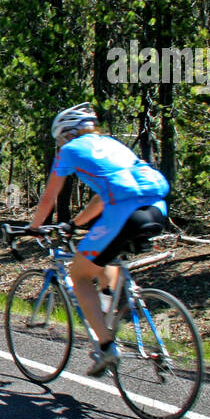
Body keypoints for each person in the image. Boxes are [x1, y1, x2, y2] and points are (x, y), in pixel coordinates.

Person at [28, 102, 170, 375]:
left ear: (68, 133)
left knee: (79, 274)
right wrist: (75, 223)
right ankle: (109, 310)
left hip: (124, 213)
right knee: (106, 258)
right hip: (156, 210)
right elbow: (101, 198)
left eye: (61, 139)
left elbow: (49, 197)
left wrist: (34, 227)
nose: (61, 144)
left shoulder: (70, 151)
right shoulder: (113, 145)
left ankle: (106, 347)